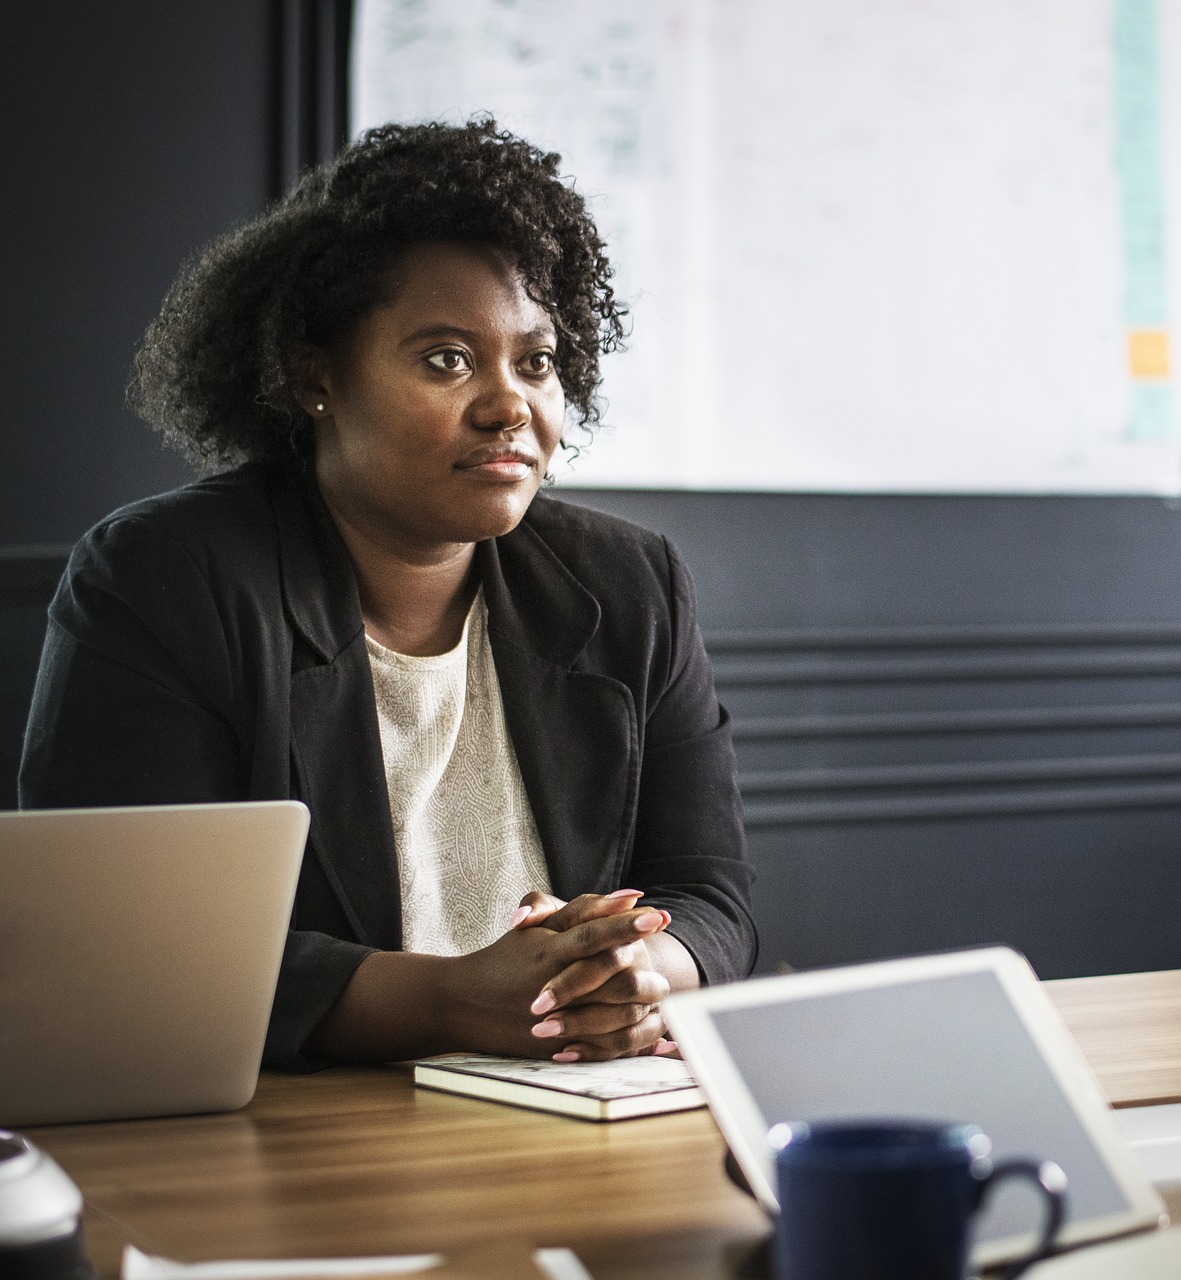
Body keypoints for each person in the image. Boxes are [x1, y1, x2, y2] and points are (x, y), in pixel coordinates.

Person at [20, 119, 756, 1070]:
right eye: (447, 359)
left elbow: (710, 899)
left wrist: (632, 973)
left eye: (534, 362)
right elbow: (120, 952)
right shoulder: (168, 576)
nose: (509, 406)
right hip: (289, 1140)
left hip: (571, 1113)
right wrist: (450, 1001)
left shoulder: (630, 583)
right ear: (316, 377)